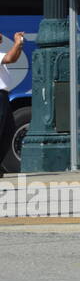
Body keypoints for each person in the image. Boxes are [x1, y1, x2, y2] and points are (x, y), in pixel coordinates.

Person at [0, 31, 24, 178]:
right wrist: (16, 43)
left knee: (8, 130)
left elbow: (13, 57)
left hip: (3, 97)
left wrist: (19, 45)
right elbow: (10, 58)